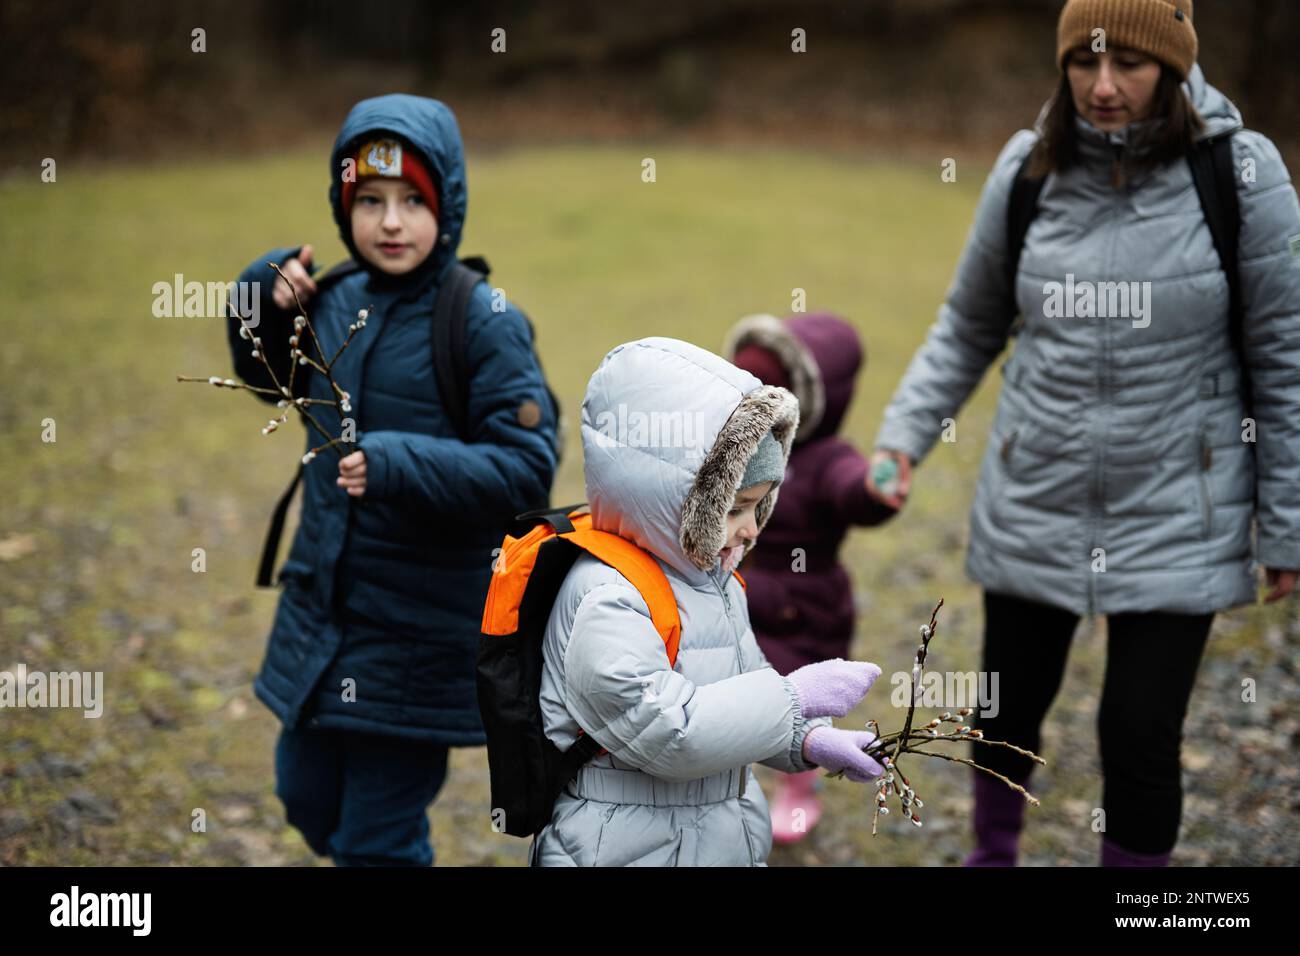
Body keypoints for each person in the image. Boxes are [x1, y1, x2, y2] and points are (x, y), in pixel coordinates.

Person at [869, 0, 1300, 866]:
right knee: (1005, 712)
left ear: (1175, 70)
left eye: (1131, 66)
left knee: (1139, 734)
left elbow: (1285, 361)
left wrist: (1287, 522)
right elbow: (967, 324)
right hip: (1038, 490)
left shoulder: (1239, 175)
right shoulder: (1027, 170)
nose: (1103, 87)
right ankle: (992, 856)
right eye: (1084, 64)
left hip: (1181, 504)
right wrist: (901, 438)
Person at [225, 94, 558, 865]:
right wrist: (258, 296)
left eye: (413, 200)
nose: (391, 222)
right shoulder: (334, 297)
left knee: (377, 841)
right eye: (369, 201)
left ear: (449, 203)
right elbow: (263, 378)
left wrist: (395, 463)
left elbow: (526, 468)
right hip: (323, 616)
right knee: (304, 801)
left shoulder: (481, 320)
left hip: (416, 635)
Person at [532, 337, 885, 866]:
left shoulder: (712, 581)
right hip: (619, 848)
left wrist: (805, 738)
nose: (750, 530)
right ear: (671, 496)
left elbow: (740, 698)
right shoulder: (606, 598)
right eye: (735, 506)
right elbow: (673, 733)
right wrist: (791, 697)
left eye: (760, 504)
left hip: (711, 838)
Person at [723, 312, 897, 843]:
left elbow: (851, 491)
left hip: (806, 603)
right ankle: (743, 776)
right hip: (747, 591)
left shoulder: (826, 458)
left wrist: (873, 488)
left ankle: (799, 789)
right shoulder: (750, 445)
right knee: (745, 690)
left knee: (800, 694)